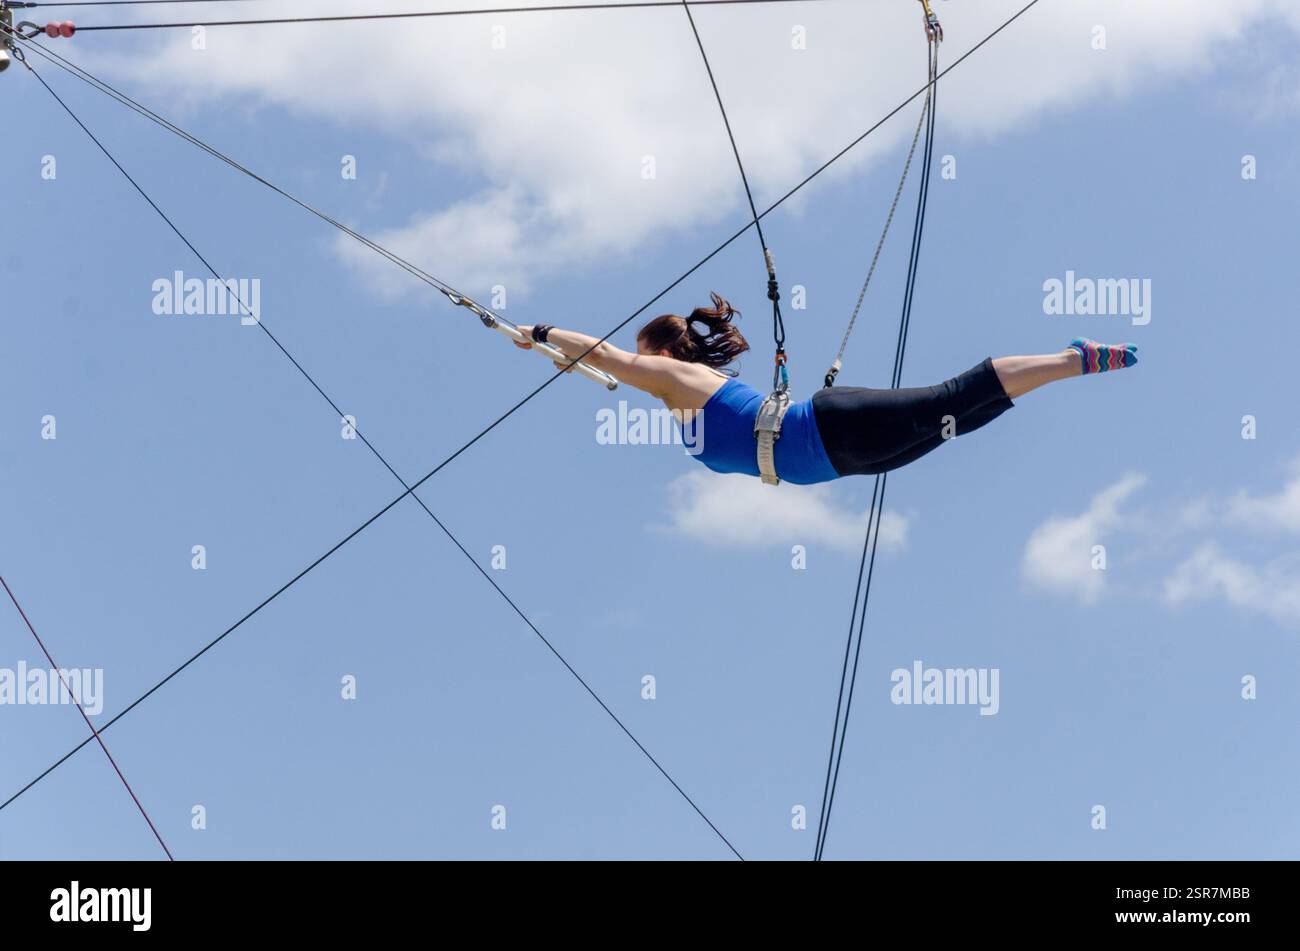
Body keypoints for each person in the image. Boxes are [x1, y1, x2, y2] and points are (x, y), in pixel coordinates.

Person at [516, 292, 1137, 485]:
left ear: (657, 350)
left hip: (829, 428)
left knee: (951, 399)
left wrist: (543, 330)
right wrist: (555, 352)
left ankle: (1069, 359)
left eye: (638, 352)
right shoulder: (676, 389)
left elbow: (605, 356)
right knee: (957, 425)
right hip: (842, 461)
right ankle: (1064, 365)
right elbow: (598, 365)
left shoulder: (672, 377)